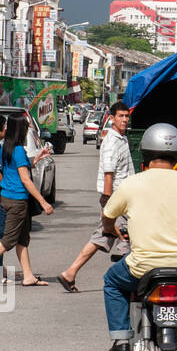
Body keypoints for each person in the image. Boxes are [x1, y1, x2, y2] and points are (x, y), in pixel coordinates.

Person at [102, 123, 177, 351]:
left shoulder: (131, 184)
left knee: (111, 280)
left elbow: (108, 215)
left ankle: (121, 340)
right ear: (176, 158)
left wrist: (110, 230)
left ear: (144, 157)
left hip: (141, 268)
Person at [0, 115, 54, 288]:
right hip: (17, 200)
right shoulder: (19, 149)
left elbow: (16, 169)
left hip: (7, 197)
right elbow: (25, 179)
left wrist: (36, 158)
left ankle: (28, 276)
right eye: (26, 126)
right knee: (7, 240)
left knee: (22, 239)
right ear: (20, 130)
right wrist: (43, 202)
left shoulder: (5, 147)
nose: (28, 128)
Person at [57, 102, 133, 292]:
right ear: (112, 118)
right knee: (126, 239)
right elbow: (109, 174)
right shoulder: (112, 141)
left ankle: (70, 273)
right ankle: (130, 282)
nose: (124, 119)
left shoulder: (121, 139)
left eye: (126, 116)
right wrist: (108, 205)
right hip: (117, 200)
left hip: (122, 199)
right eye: (120, 116)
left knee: (104, 237)